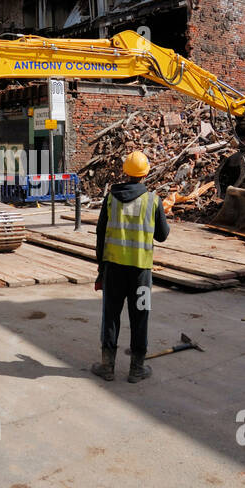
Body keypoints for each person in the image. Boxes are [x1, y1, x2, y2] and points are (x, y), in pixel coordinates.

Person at [92, 150, 169, 383]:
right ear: (145, 174)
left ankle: (108, 367)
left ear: (125, 172)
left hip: (113, 270)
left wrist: (100, 268)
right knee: (140, 317)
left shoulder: (110, 199)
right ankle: (137, 369)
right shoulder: (153, 201)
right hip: (141, 273)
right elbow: (162, 235)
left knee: (111, 316)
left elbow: (100, 235)